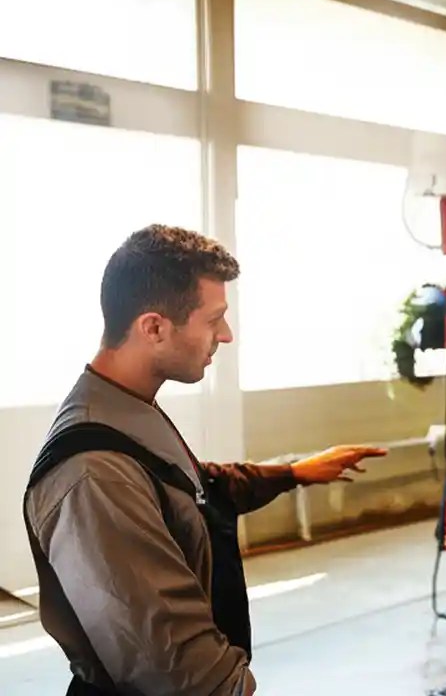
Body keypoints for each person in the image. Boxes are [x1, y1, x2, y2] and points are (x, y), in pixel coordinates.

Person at [22, 225, 387, 696]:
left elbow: (194, 491)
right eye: (213, 320)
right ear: (153, 327)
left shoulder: (127, 410)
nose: (227, 335)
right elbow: (175, 667)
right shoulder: (94, 474)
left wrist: (295, 472)